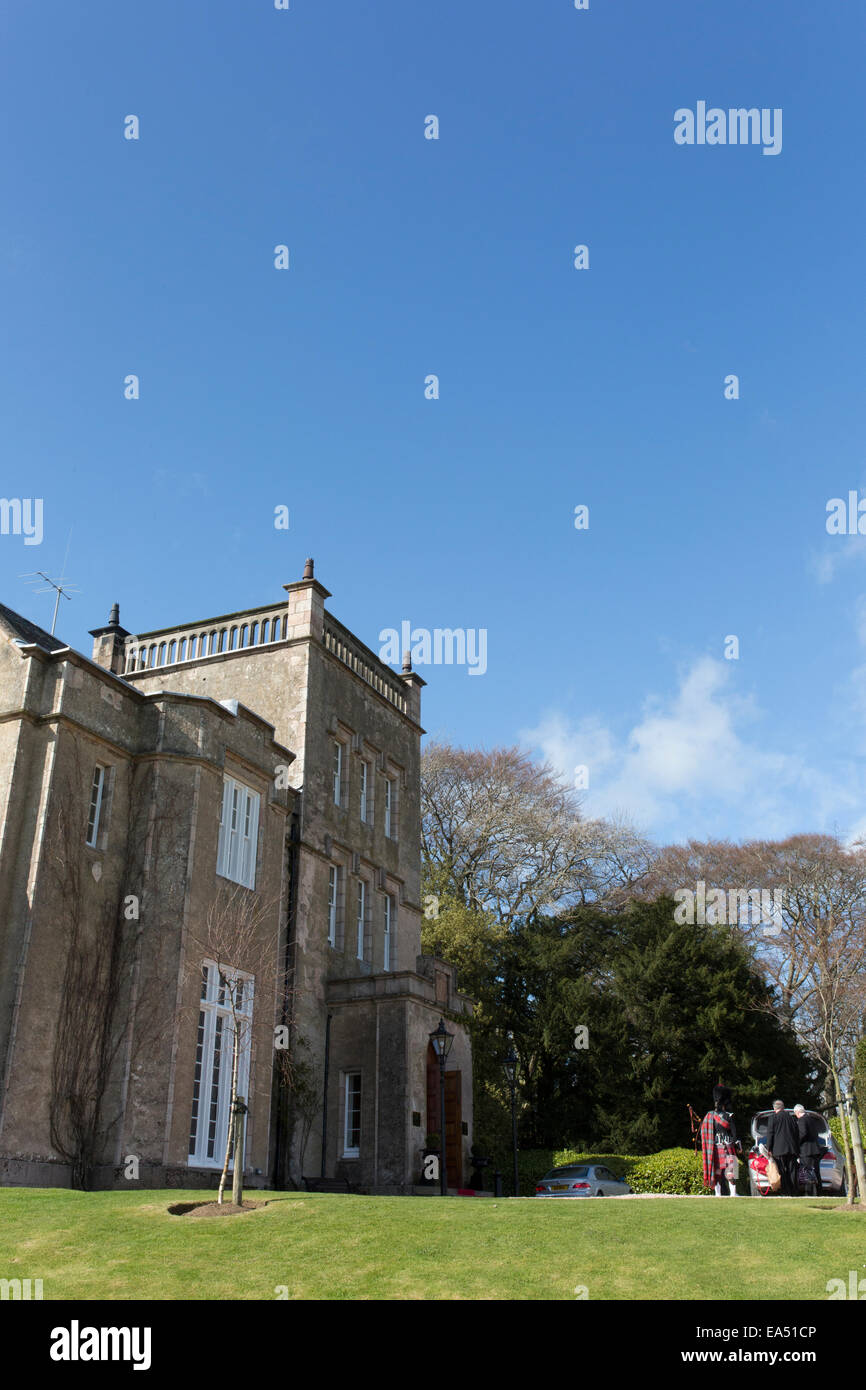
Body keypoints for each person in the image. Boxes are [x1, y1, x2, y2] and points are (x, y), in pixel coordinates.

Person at [700, 1084, 742, 1196]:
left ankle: (717, 1193)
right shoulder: (729, 1116)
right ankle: (733, 1193)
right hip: (728, 1145)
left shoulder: (710, 1116)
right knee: (731, 1171)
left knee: (717, 1171)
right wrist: (737, 1145)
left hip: (715, 1146)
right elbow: (734, 1134)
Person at [764, 1099, 800, 1196]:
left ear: (774, 1108)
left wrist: (769, 1148)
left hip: (778, 1149)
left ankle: (785, 1191)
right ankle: (794, 1191)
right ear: (783, 1107)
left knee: (782, 1170)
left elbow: (770, 1134)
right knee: (792, 1170)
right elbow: (796, 1133)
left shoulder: (773, 1118)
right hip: (792, 1149)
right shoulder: (791, 1118)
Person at [794, 1104, 823, 1196]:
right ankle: (819, 1191)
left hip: (806, 1150)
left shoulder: (802, 1120)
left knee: (807, 1171)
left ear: (797, 1112)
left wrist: (796, 1143)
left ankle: (809, 1193)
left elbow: (803, 1133)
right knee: (816, 1171)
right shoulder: (811, 1119)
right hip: (815, 1149)